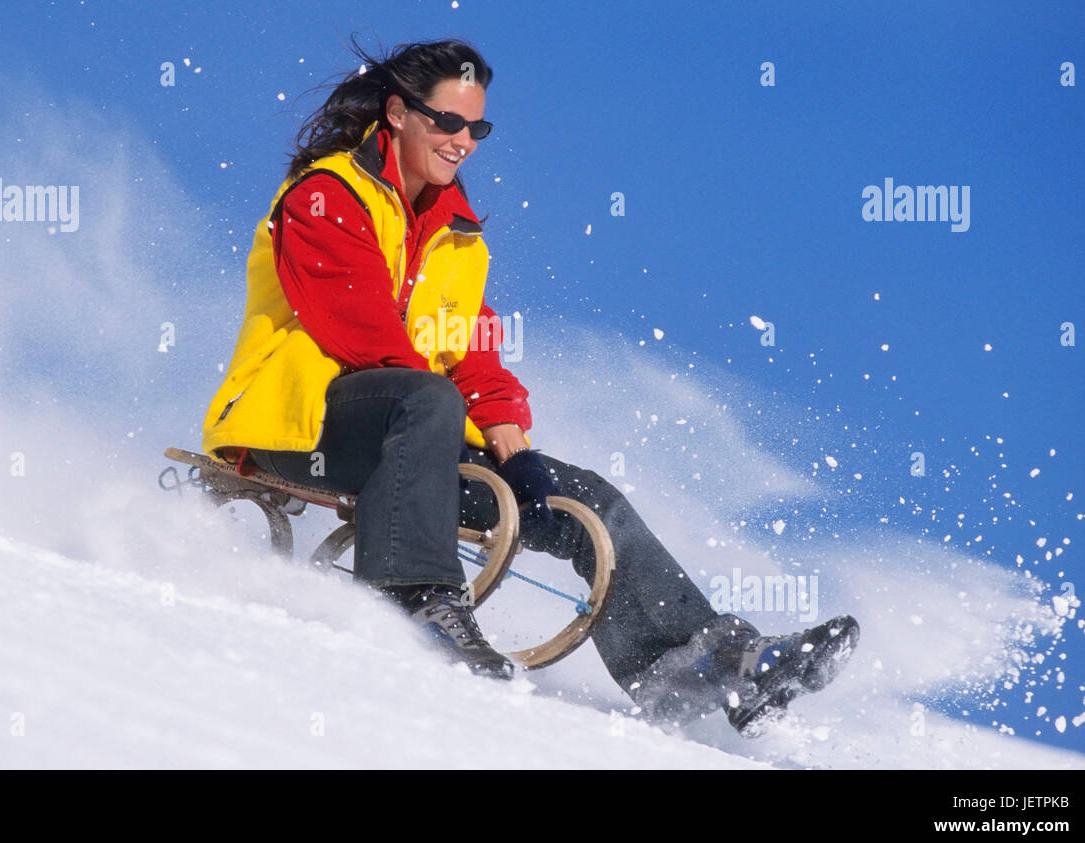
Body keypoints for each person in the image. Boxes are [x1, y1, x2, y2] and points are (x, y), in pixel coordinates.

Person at [201, 38, 859, 734]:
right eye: (447, 123)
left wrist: (517, 457)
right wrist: (455, 427)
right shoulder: (325, 196)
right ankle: (414, 598)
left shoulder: (456, 234)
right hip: (300, 429)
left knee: (589, 500)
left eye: (476, 129)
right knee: (425, 398)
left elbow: (475, 353)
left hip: (412, 434)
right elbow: (364, 334)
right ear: (396, 113)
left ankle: (702, 665)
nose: (462, 142)